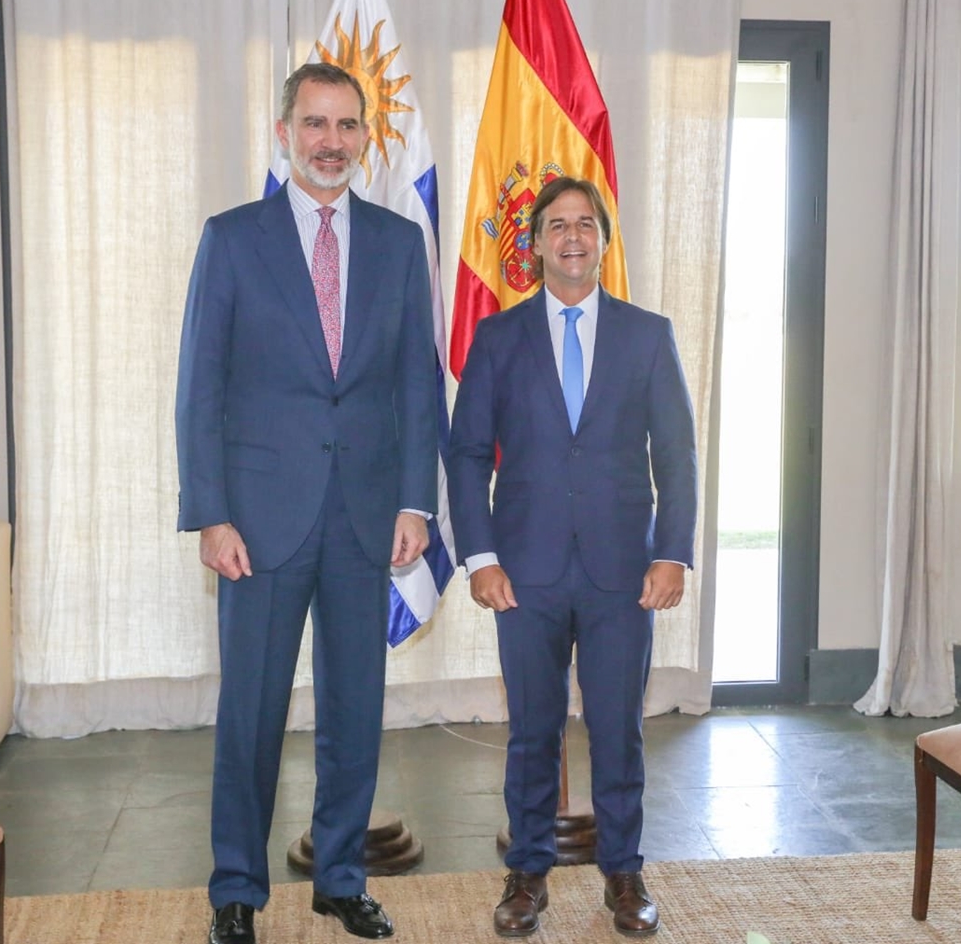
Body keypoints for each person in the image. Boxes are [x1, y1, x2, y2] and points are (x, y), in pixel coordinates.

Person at [175, 62, 438, 944]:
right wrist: (211, 513)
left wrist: (417, 502)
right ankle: (237, 892)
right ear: (285, 132)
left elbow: (417, 386)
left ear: (366, 137)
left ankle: (340, 877)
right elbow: (198, 386)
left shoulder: (402, 244)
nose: (331, 142)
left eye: (347, 126)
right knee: (250, 711)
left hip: (367, 517)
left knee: (355, 711)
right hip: (257, 523)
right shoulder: (233, 238)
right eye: (315, 124)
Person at [448, 176, 697, 937]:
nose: (572, 237)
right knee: (532, 728)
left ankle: (624, 875)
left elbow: (677, 454)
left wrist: (673, 553)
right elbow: (465, 455)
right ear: (534, 245)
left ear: (604, 239)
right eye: (556, 226)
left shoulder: (647, 334)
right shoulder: (497, 337)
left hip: (626, 572)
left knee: (618, 726)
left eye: (585, 224)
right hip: (523, 573)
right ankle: (527, 873)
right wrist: (480, 556)